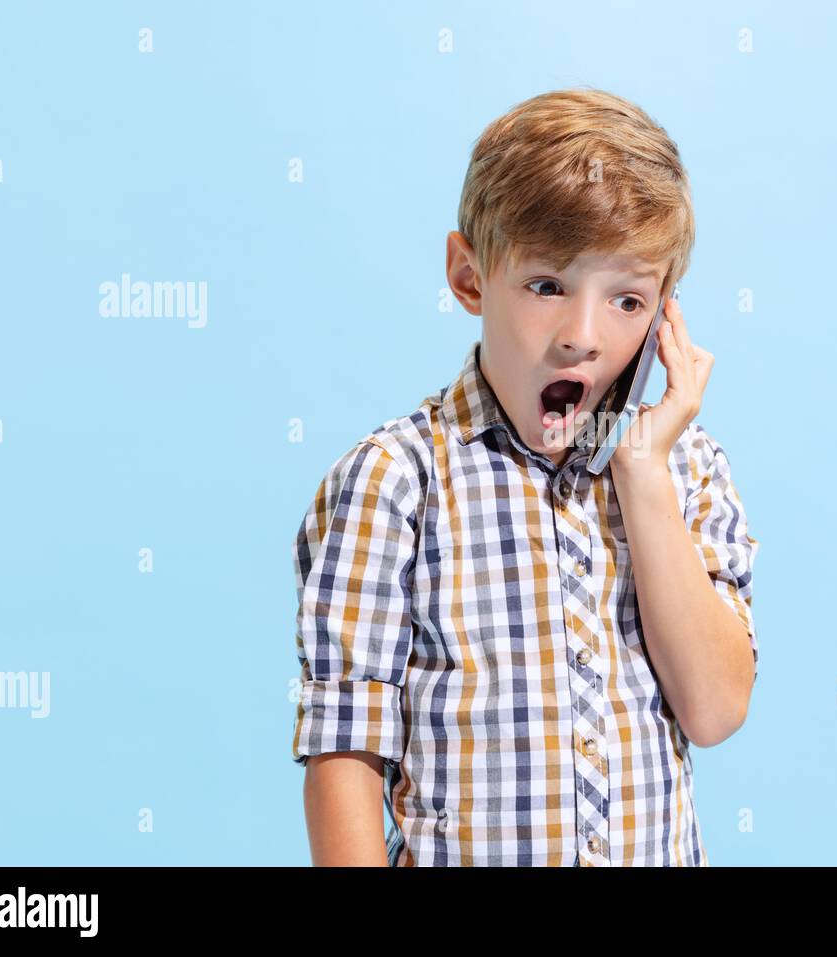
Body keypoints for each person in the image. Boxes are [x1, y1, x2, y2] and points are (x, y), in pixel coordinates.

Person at [291, 87, 760, 866]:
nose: (582, 336)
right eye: (546, 286)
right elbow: (345, 753)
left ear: (663, 319)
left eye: (627, 300)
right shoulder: (395, 481)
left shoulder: (687, 468)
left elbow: (712, 709)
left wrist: (643, 474)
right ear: (470, 278)